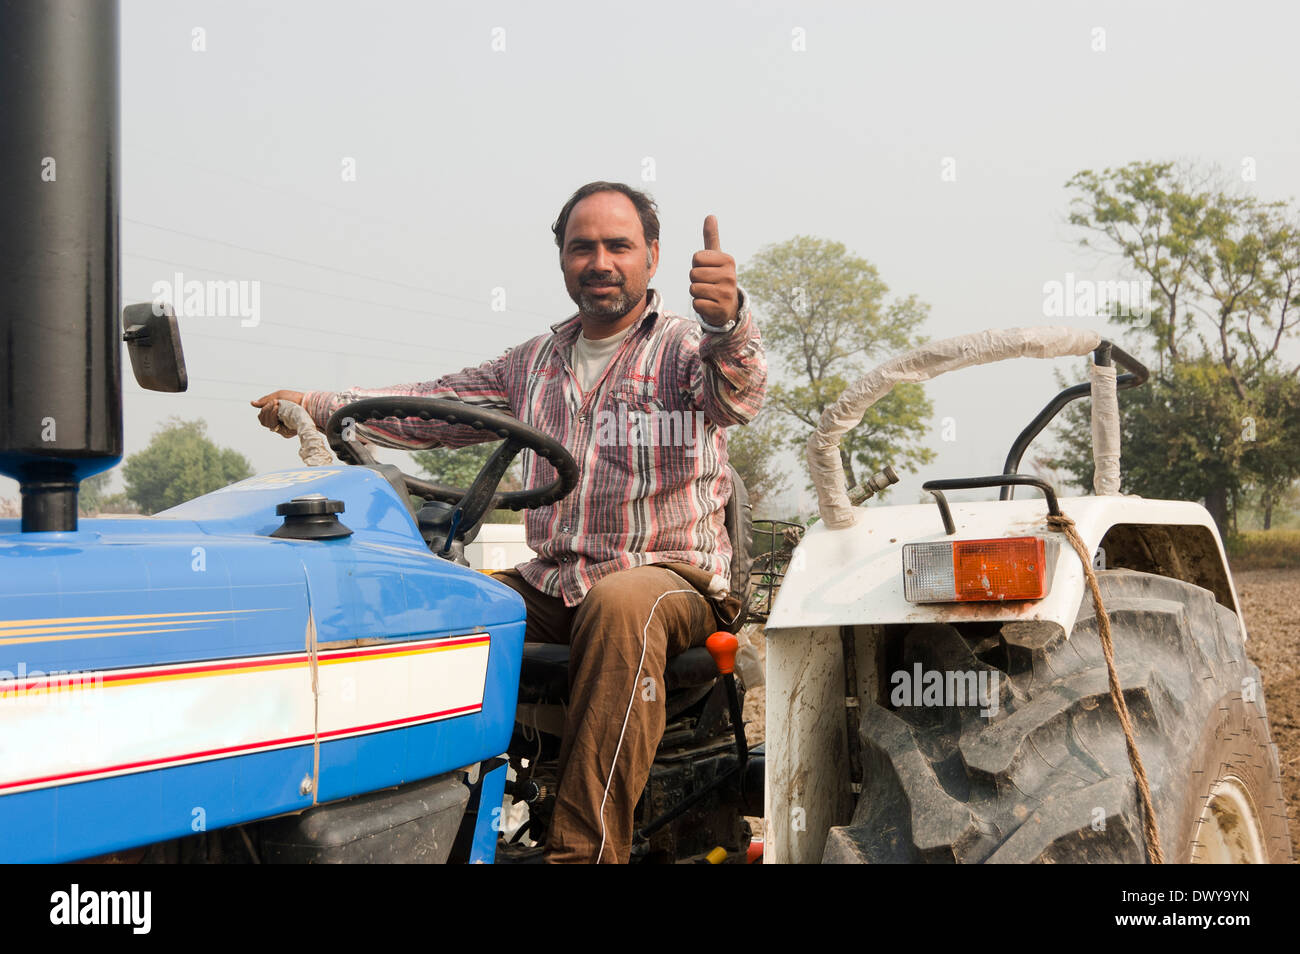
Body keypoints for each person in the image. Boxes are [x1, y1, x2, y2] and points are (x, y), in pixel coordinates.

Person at [252, 181, 766, 862]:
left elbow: (742, 393)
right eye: (583, 246)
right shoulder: (532, 364)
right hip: (555, 583)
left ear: (654, 257)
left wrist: (730, 324)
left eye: (619, 245)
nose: (601, 261)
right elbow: (430, 406)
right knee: (433, 602)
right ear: (562, 260)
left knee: (620, 603)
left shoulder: (680, 350)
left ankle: (582, 854)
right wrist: (319, 405)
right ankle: (411, 826)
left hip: (672, 580)